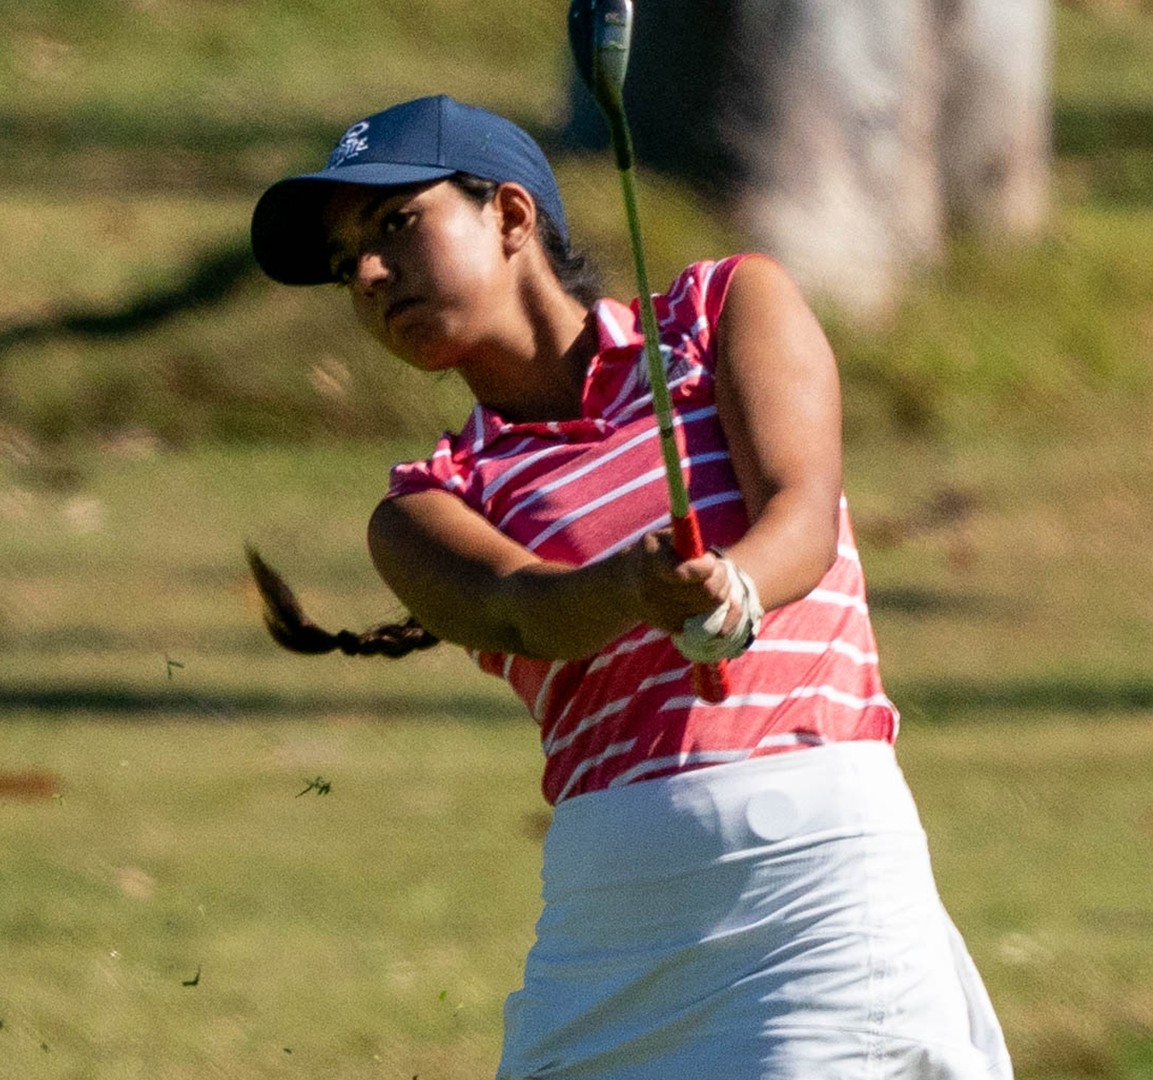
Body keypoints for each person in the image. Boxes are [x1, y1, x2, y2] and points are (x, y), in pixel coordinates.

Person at [248, 94, 1012, 1080]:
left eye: (395, 224)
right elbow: (523, 608)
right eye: (346, 258)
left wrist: (733, 590)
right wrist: (633, 589)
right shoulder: (424, 505)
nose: (367, 273)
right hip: (606, 917)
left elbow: (801, 510)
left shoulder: (722, 311)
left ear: (510, 215)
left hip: (807, 881)